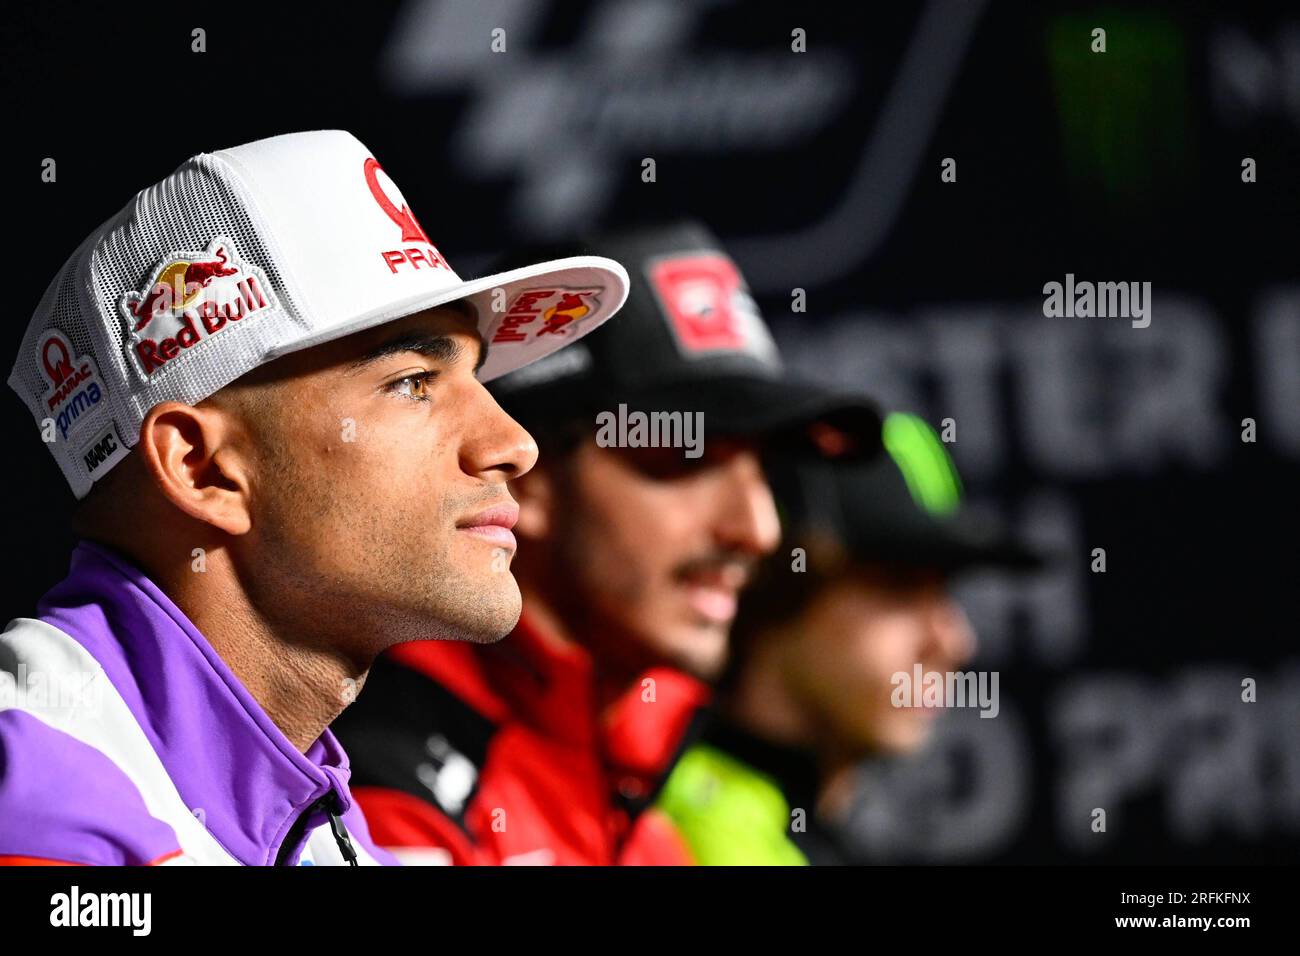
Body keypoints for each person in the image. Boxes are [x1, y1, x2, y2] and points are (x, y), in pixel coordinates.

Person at [0, 129, 629, 866]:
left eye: (477, 381)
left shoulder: (322, 825)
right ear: (204, 468)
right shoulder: (38, 799)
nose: (514, 444)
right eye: (411, 384)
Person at [332, 221, 881, 864]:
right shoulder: (371, 786)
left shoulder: (642, 780)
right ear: (527, 479)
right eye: (686, 457)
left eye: (761, 468)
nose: (756, 530)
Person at [656, 412, 1043, 864]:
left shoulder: (797, 828)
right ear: (775, 585)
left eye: (945, 591)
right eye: (898, 585)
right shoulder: (684, 834)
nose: (954, 641)